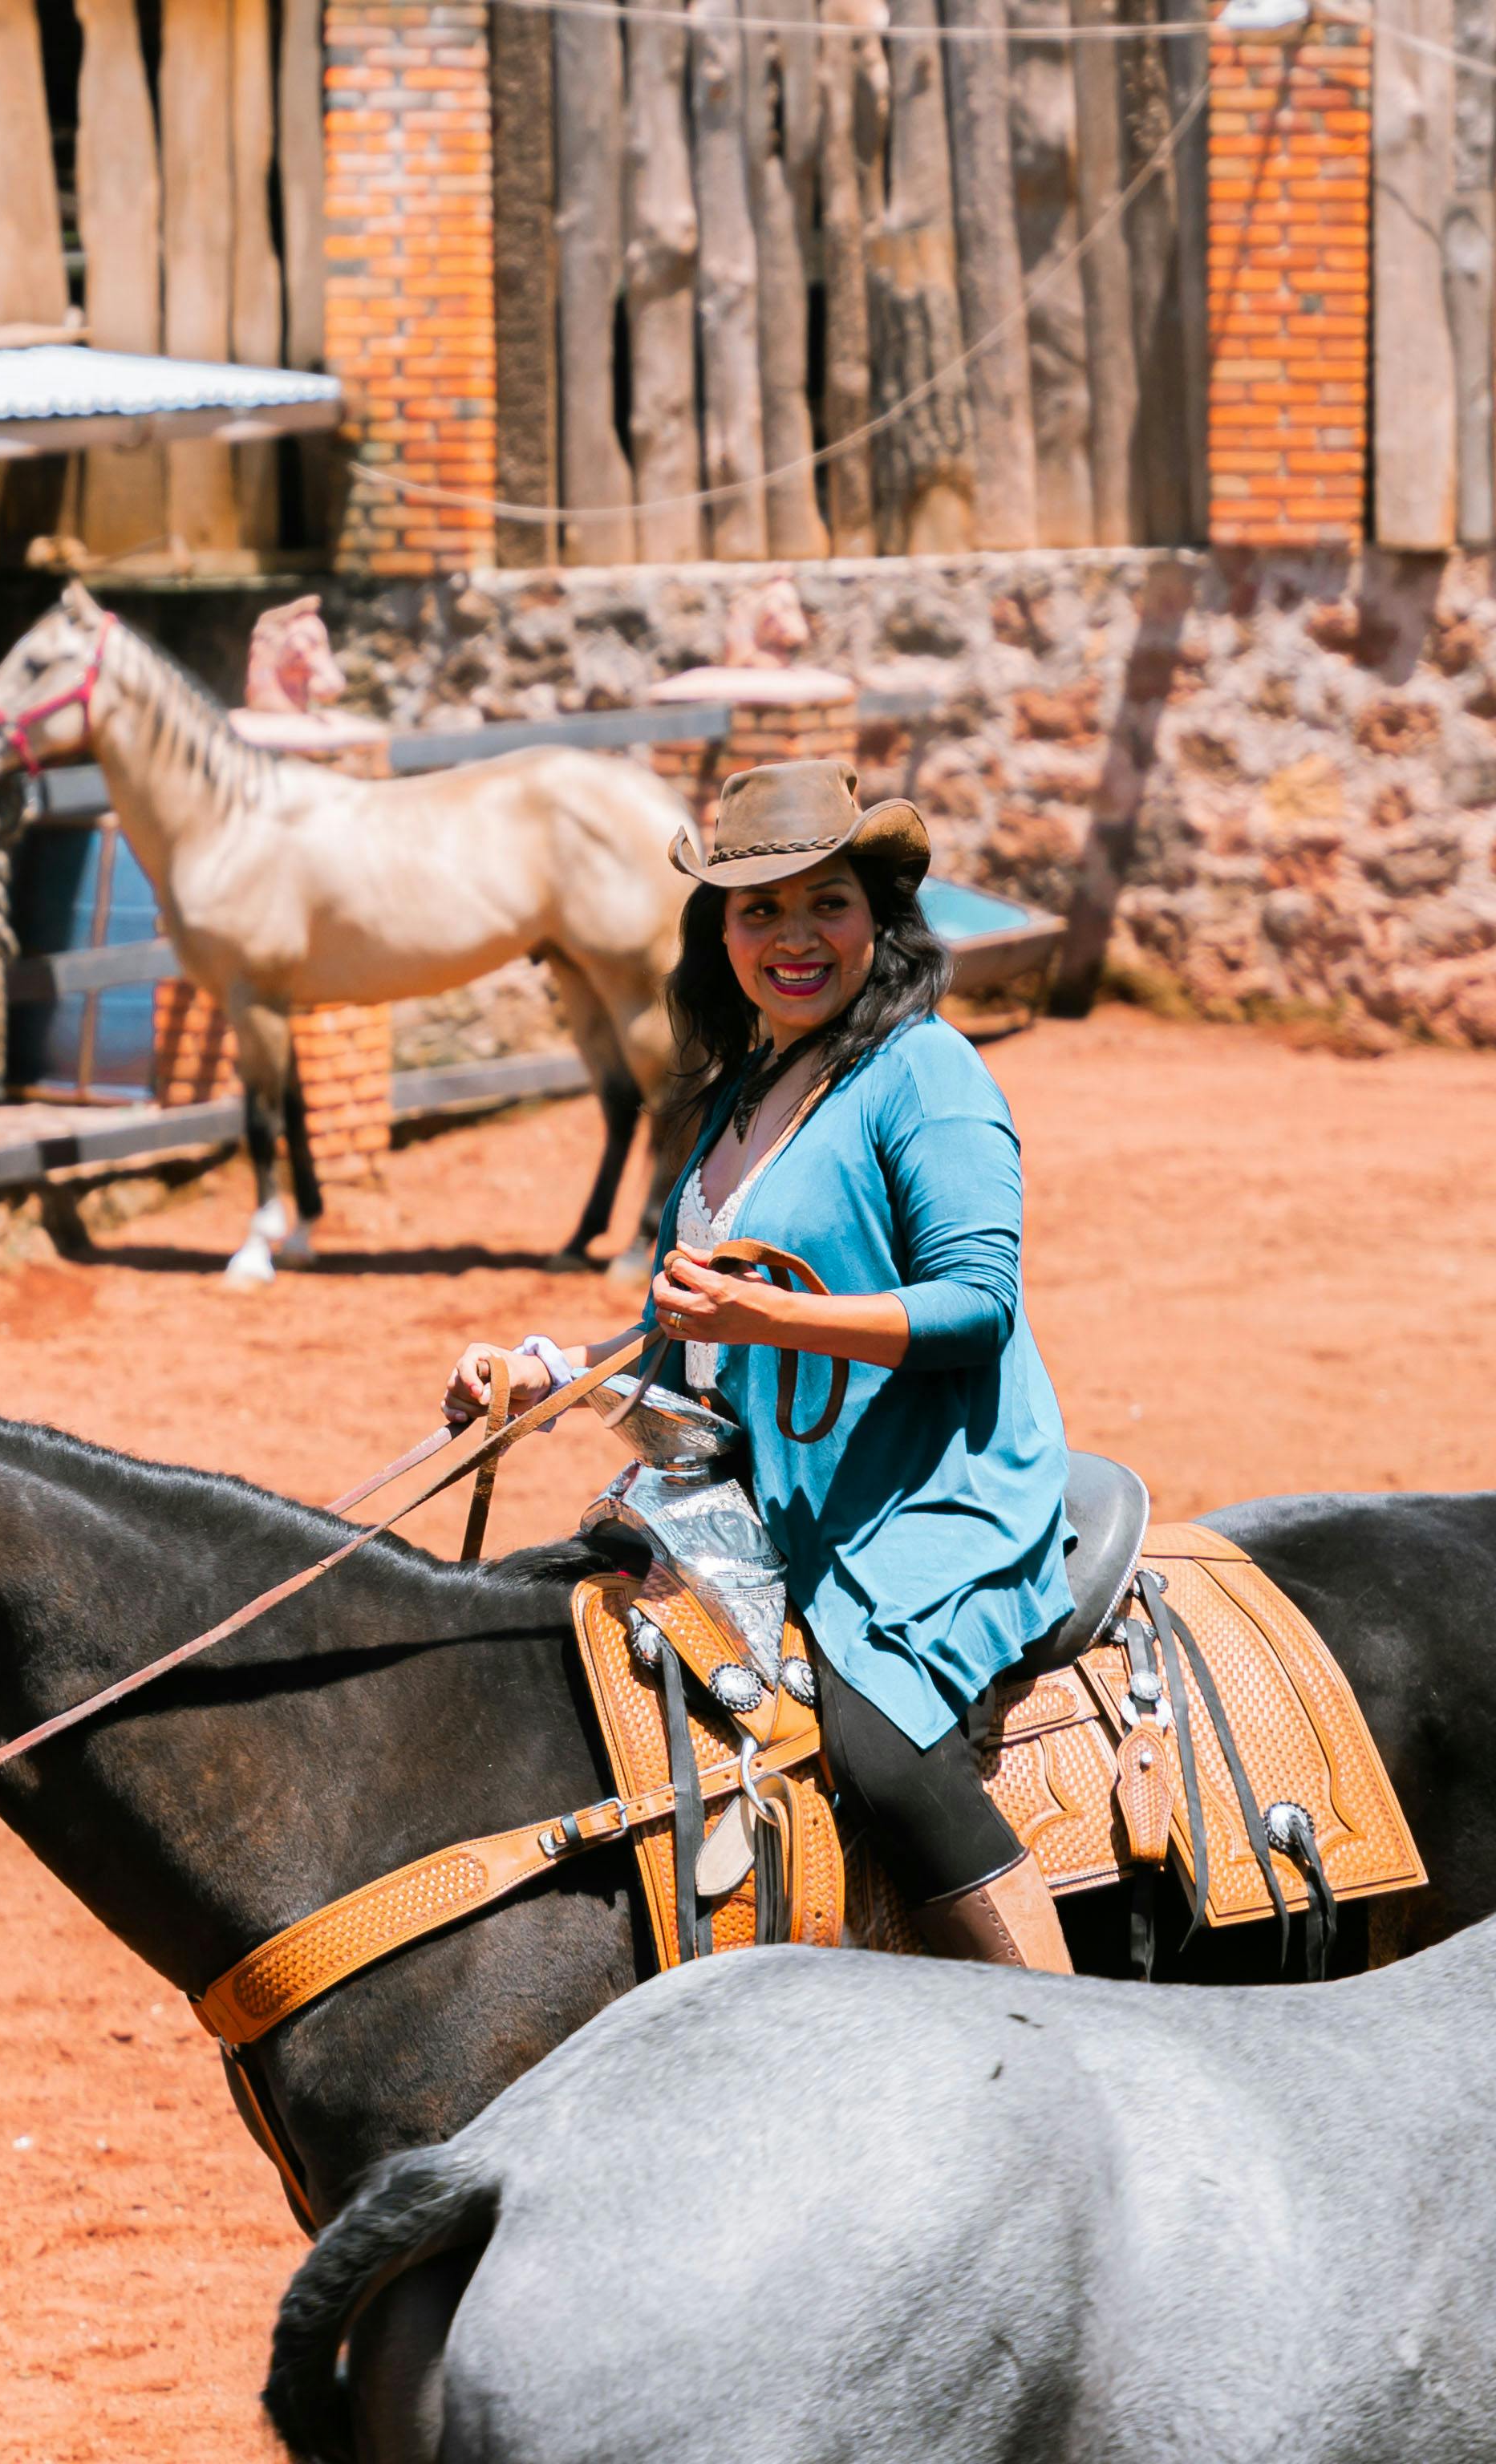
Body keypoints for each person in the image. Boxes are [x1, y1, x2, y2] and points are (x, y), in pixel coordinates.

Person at [448, 760, 1079, 1970]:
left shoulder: (924, 1070)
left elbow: (978, 1306)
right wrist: (547, 1377)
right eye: (761, 911)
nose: (796, 938)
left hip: (927, 1492)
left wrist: (770, 1321)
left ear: (881, 921)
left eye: (827, 903)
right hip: (772, 1495)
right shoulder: (743, 1091)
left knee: (878, 1744)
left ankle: (1069, 2033)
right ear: (718, 931)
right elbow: (684, 1342)